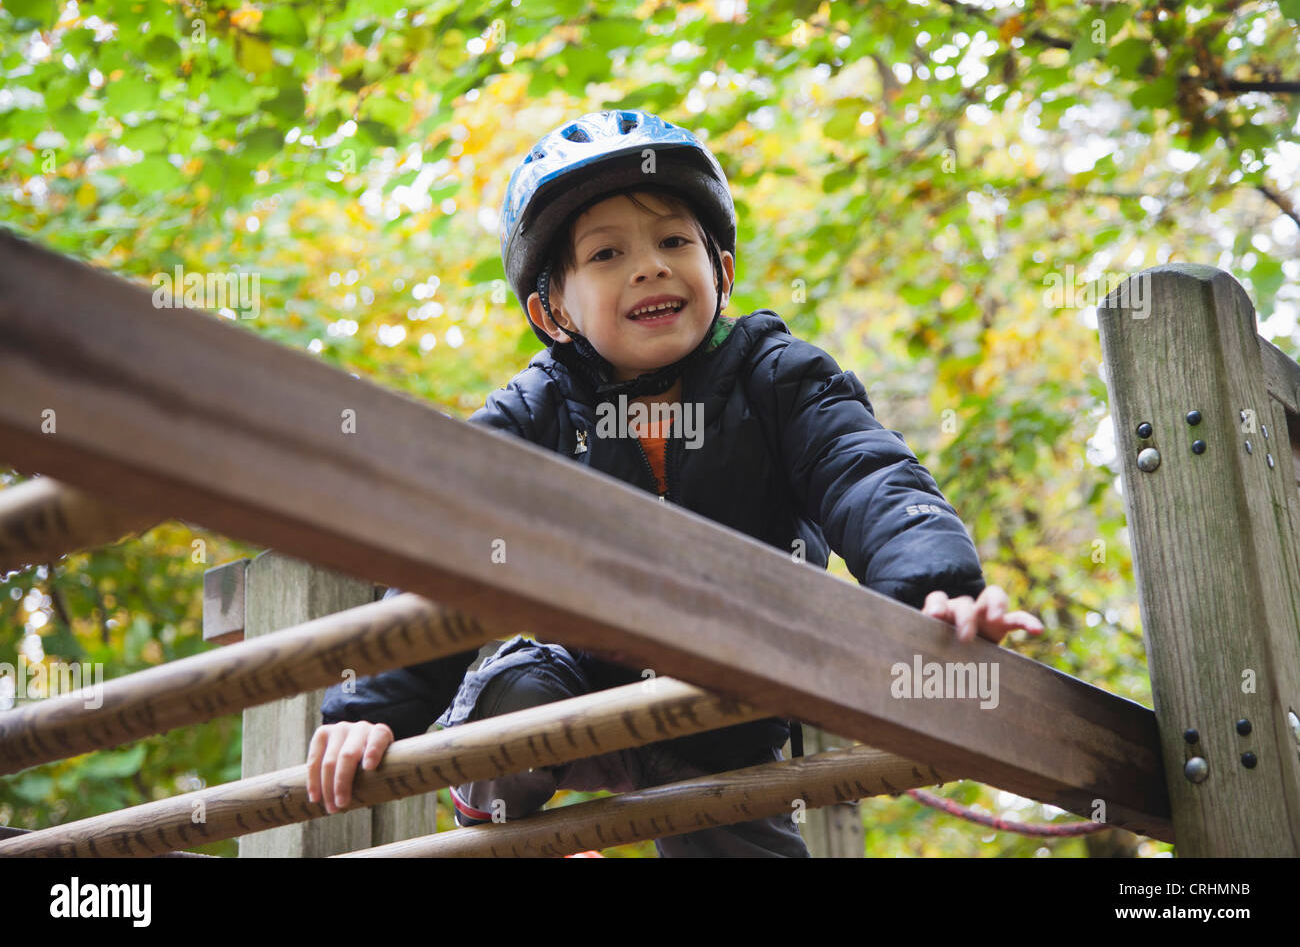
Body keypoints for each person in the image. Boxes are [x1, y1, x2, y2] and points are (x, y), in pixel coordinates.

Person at [305, 109, 1044, 857]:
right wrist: (372, 707)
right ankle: (504, 825)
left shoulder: (779, 381)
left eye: (673, 241)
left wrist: (928, 590)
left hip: (727, 711)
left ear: (720, 271)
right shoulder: (534, 415)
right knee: (512, 703)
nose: (649, 266)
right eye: (605, 254)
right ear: (552, 309)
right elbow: (449, 546)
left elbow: (868, 476)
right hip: (575, 688)